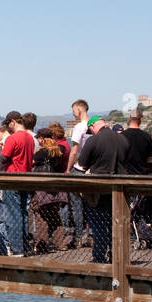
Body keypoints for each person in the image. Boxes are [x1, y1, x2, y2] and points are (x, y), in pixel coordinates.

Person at [76, 115, 130, 263]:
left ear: (93, 126)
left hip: (99, 189)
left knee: (99, 225)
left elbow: (82, 164)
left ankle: (99, 256)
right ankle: (116, 255)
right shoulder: (123, 139)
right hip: (120, 189)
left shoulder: (93, 140)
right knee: (116, 224)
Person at [0, 112, 36, 255]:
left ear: (13, 122)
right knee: (24, 214)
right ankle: (25, 247)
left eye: (8, 125)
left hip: (11, 180)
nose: (8, 128)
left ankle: (17, 249)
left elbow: (3, 159)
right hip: (26, 178)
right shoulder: (30, 138)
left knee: (12, 216)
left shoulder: (13, 138)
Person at [30, 127, 68, 252]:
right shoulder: (58, 151)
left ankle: (41, 244)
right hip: (55, 187)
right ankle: (61, 243)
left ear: (41, 139)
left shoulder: (42, 152)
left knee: (40, 216)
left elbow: (31, 162)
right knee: (55, 217)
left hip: (42, 187)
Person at [64, 99, 90, 247]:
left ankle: (79, 235)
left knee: (76, 204)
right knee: (91, 203)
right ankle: (92, 233)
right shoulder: (93, 126)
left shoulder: (79, 127)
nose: (73, 114)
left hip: (79, 167)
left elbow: (74, 150)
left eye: (73, 110)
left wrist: (68, 169)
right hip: (92, 169)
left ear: (79, 110)